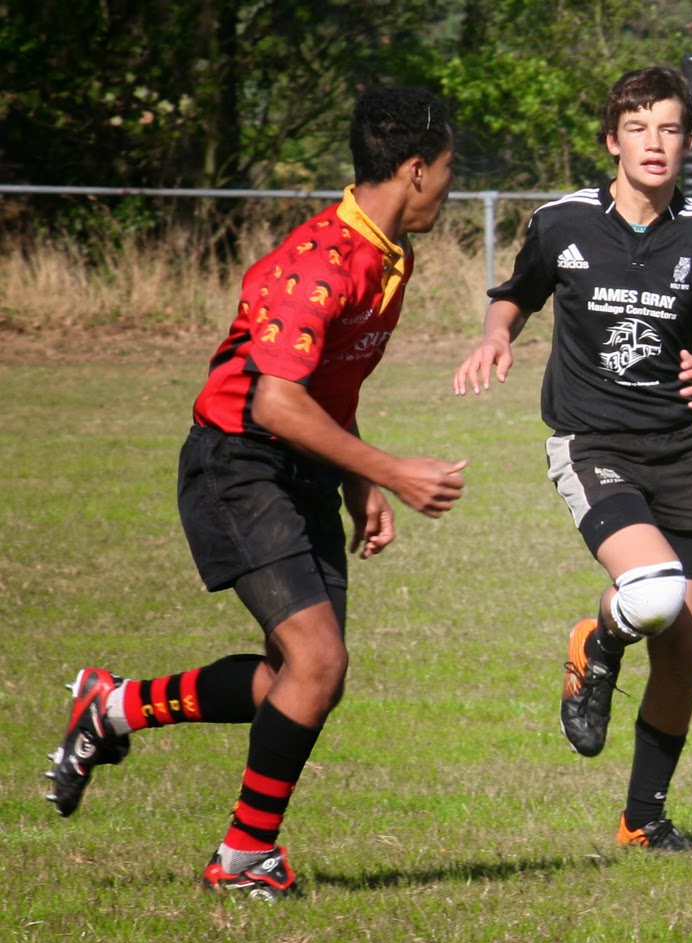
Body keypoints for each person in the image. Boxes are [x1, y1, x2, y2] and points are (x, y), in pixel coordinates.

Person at [45, 86, 468, 900]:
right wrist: (390, 468)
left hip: (299, 468)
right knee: (319, 662)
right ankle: (243, 859)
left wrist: (357, 483)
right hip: (238, 463)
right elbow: (274, 402)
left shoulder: (389, 255)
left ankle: (113, 707)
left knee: (297, 679)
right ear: (415, 169)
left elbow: (329, 386)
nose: (450, 187)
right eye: (448, 169)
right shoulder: (319, 260)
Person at [453, 66, 692, 851]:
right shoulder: (562, 223)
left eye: (668, 128)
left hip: (679, 453)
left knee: (680, 647)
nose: (653, 143)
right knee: (652, 592)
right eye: (638, 128)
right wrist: (496, 335)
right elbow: (516, 293)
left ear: (686, 142)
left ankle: (643, 820)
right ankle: (595, 642)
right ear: (612, 141)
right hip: (591, 442)